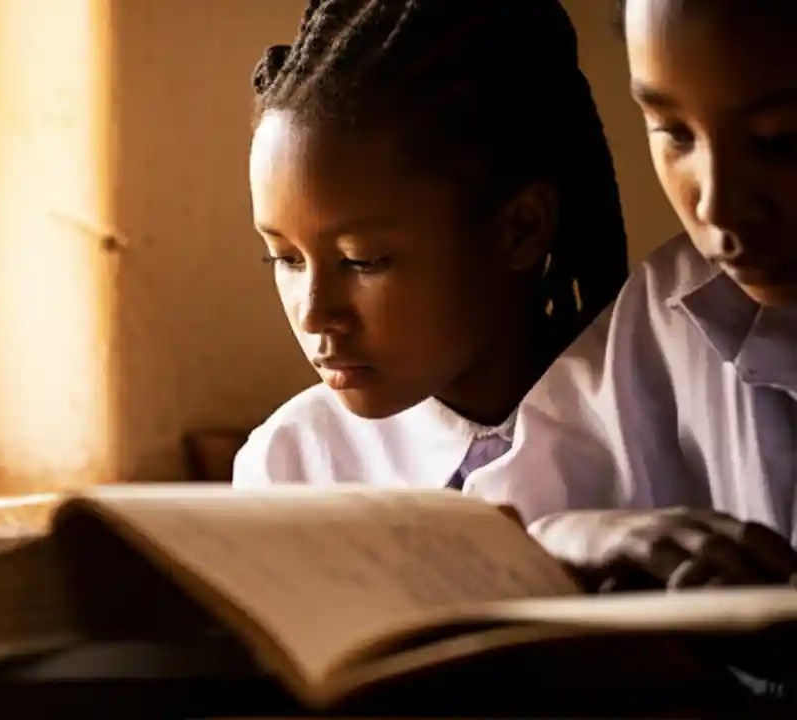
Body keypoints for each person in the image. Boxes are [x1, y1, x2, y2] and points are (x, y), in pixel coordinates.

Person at [231, 0, 628, 493]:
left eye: (362, 260)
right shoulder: (292, 466)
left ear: (520, 230)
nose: (314, 315)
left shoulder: (648, 436)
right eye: (285, 258)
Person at [478, 0, 797, 594]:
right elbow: (509, 526)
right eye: (674, 132)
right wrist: (582, 536)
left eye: (780, 141)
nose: (715, 207)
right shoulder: (674, 306)